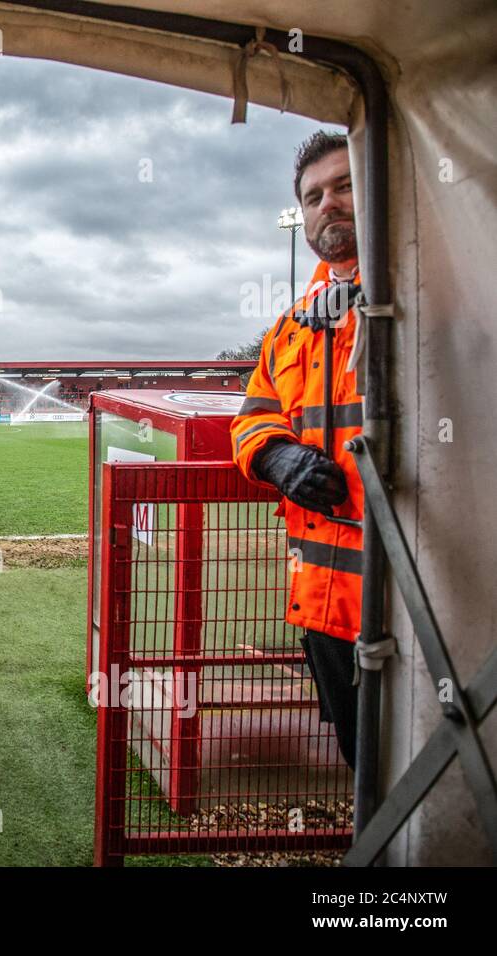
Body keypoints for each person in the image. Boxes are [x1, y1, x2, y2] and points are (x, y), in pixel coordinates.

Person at [230, 131, 363, 768]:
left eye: (344, 186)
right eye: (313, 196)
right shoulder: (291, 326)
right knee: (364, 763)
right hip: (324, 601)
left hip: (426, 600)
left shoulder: (434, 298)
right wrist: (279, 458)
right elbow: (252, 418)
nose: (326, 204)